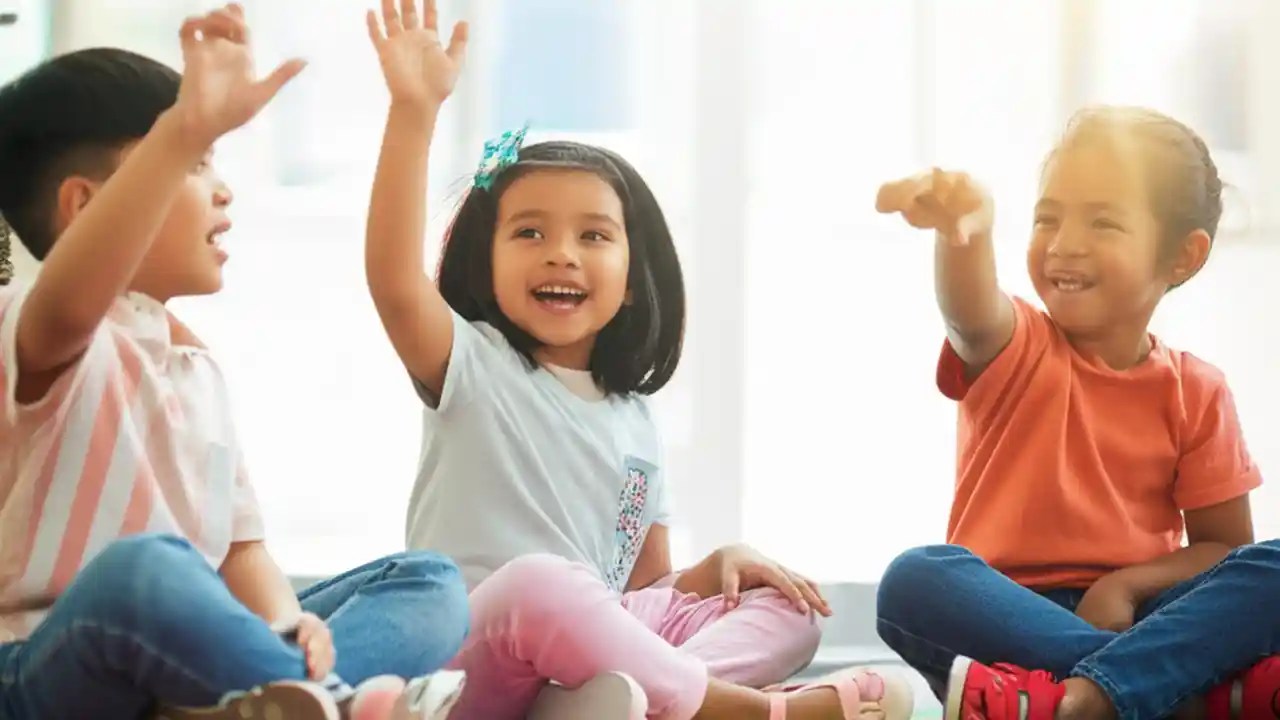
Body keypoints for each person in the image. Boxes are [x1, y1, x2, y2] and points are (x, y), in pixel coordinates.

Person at [361, 1, 914, 719]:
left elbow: (636, 593)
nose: (562, 253)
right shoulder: (471, 363)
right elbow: (393, 280)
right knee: (542, 585)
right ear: (483, 264)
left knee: (791, 605)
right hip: (474, 665)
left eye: (593, 236)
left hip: (585, 671)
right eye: (530, 233)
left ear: (631, 279)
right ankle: (744, 712)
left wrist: (709, 573)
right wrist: (413, 112)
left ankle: (631, 703)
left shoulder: (635, 422)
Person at [0, 6, 469, 719]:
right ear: (84, 206)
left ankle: (278, 695)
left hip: (183, 662)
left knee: (428, 583)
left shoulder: (196, 367)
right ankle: (336, 705)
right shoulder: (34, 319)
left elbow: (240, 551)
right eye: (196, 165)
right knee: (147, 568)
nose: (223, 188)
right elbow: (69, 309)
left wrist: (288, 624)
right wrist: (182, 129)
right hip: (44, 661)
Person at [873, 106, 1280, 720]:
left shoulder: (1198, 390)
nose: (1064, 244)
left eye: (1103, 222)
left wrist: (1123, 585)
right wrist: (966, 234)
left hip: (1138, 618)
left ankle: (1073, 702)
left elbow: (1223, 548)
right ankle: (1176, 699)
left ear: (1182, 257)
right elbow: (969, 314)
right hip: (1004, 614)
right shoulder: (1016, 345)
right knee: (917, 577)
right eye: (1047, 218)